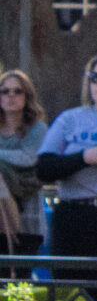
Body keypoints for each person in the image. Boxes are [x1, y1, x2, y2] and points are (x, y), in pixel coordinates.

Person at [38, 53, 97, 267]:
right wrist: (85, 157)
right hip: (74, 215)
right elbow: (44, 168)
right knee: (72, 291)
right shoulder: (70, 119)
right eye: (94, 77)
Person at [0, 71, 49, 261]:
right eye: (4, 91)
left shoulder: (38, 128)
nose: (10, 96)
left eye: (17, 91)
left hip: (28, 219)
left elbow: (29, 158)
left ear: (27, 96)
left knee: (21, 283)